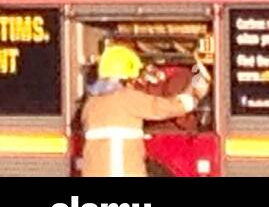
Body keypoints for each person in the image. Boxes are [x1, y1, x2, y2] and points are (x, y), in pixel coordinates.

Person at [79, 43, 210, 178]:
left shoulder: (91, 104)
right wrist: (195, 95)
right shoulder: (127, 98)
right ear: (125, 76)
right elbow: (165, 108)